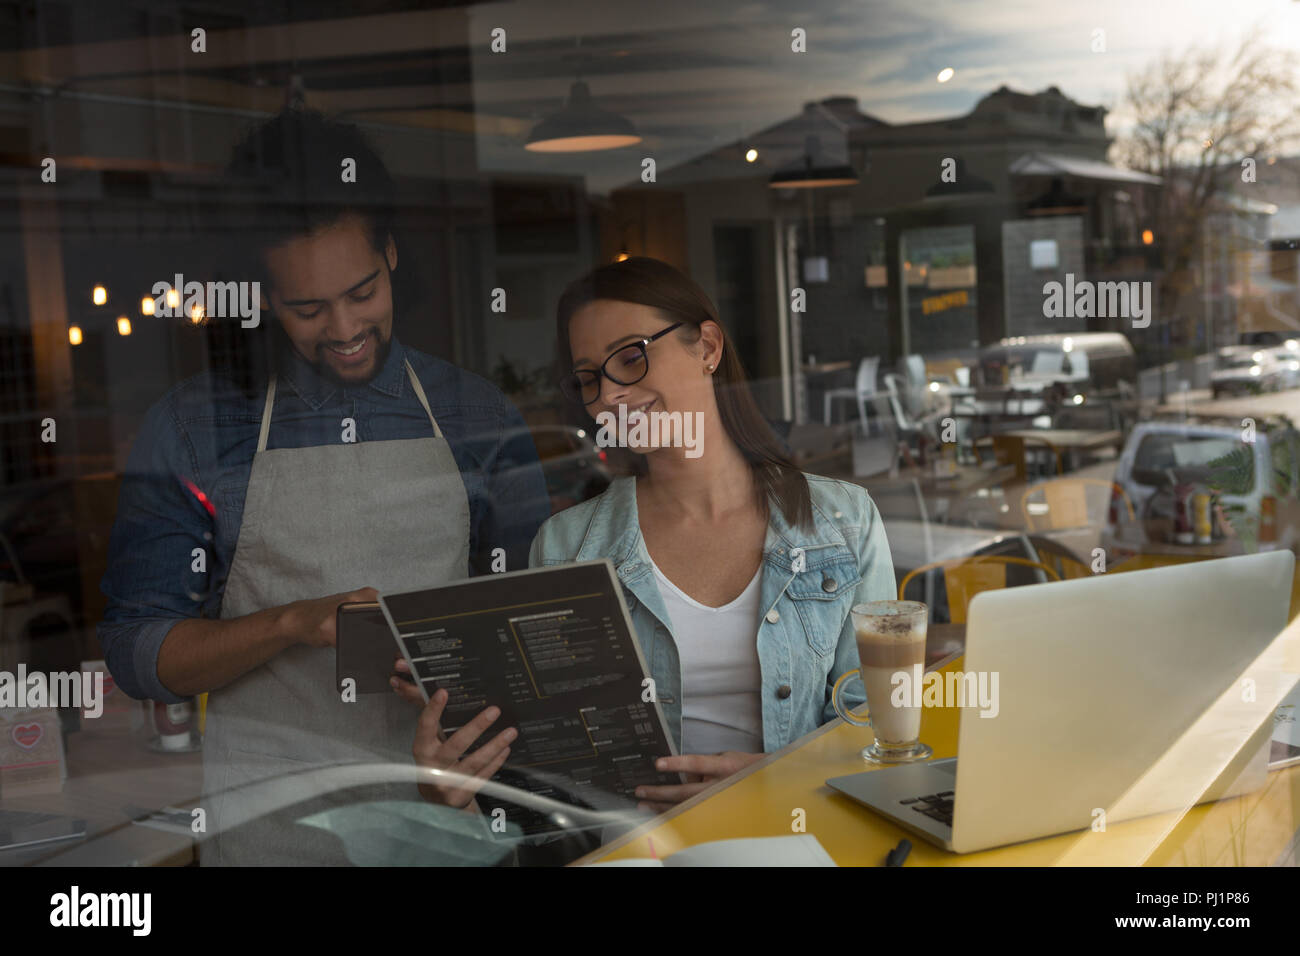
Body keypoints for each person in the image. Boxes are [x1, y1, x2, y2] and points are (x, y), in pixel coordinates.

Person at [98, 108, 549, 865]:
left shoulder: (476, 416)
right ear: (265, 299)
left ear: (393, 254)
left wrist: (473, 690)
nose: (343, 327)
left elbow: (538, 625)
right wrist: (292, 623)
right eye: (307, 308)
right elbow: (138, 650)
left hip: (449, 831)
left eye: (361, 291)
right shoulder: (196, 429)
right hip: (275, 830)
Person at [399, 256, 896, 817]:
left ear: (707, 347)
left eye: (631, 357)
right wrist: (459, 789)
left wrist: (778, 779)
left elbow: (881, 730)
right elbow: (552, 779)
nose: (608, 395)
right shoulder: (566, 546)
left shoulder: (844, 521)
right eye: (588, 377)